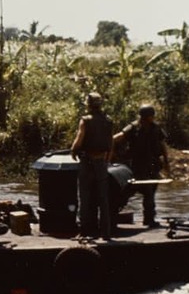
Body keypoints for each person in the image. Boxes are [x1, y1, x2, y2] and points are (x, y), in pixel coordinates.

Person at [113, 104, 170, 227]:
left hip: (152, 165)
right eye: (150, 116)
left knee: (150, 192)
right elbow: (117, 138)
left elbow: (162, 146)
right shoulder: (133, 127)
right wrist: (111, 153)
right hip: (136, 166)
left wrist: (166, 162)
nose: (152, 118)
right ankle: (113, 214)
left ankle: (148, 219)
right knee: (131, 191)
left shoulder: (156, 128)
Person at [70, 92, 114, 240]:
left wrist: (73, 151)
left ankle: (84, 231)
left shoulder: (85, 120)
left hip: (87, 161)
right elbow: (110, 143)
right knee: (103, 198)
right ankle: (105, 233)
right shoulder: (108, 120)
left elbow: (79, 138)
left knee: (84, 197)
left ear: (88, 104)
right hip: (101, 161)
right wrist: (107, 159)